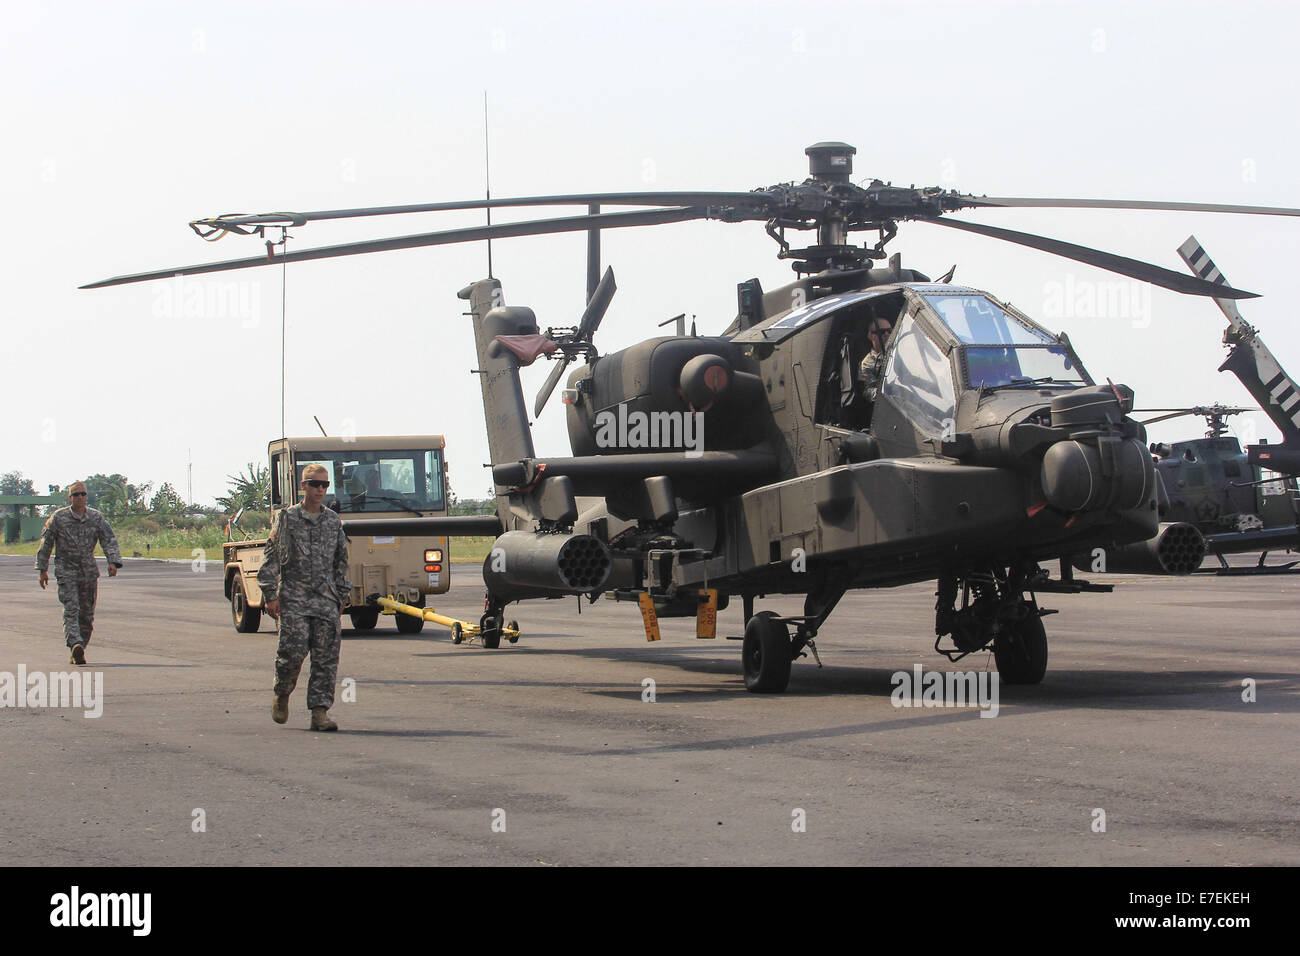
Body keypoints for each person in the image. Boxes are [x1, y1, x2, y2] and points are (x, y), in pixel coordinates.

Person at [258, 464, 351, 732]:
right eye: (315, 484)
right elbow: (273, 555)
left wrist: (342, 593)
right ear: (304, 487)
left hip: (325, 599)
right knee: (291, 654)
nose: (320, 489)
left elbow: (341, 560)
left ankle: (320, 712)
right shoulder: (288, 518)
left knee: (325, 658)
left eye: (324, 485)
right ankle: (282, 692)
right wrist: (269, 594)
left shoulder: (333, 520)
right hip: (295, 598)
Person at [35, 481, 123, 665]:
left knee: (87, 614)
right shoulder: (59, 518)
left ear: (87, 496)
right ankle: (74, 643)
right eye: (76, 494)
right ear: (70, 498)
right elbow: (46, 543)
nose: (80, 497)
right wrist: (42, 569)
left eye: (83, 494)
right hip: (66, 570)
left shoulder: (96, 517)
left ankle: (80, 647)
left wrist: (113, 561)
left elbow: (108, 539)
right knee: (72, 608)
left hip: (88, 572)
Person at [859, 315, 894, 401]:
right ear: (871, 336)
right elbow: (868, 391)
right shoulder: (865, 364)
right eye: (881, 331)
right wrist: (885, 391)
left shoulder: (899, 351)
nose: (886, 334)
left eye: (889, 331)